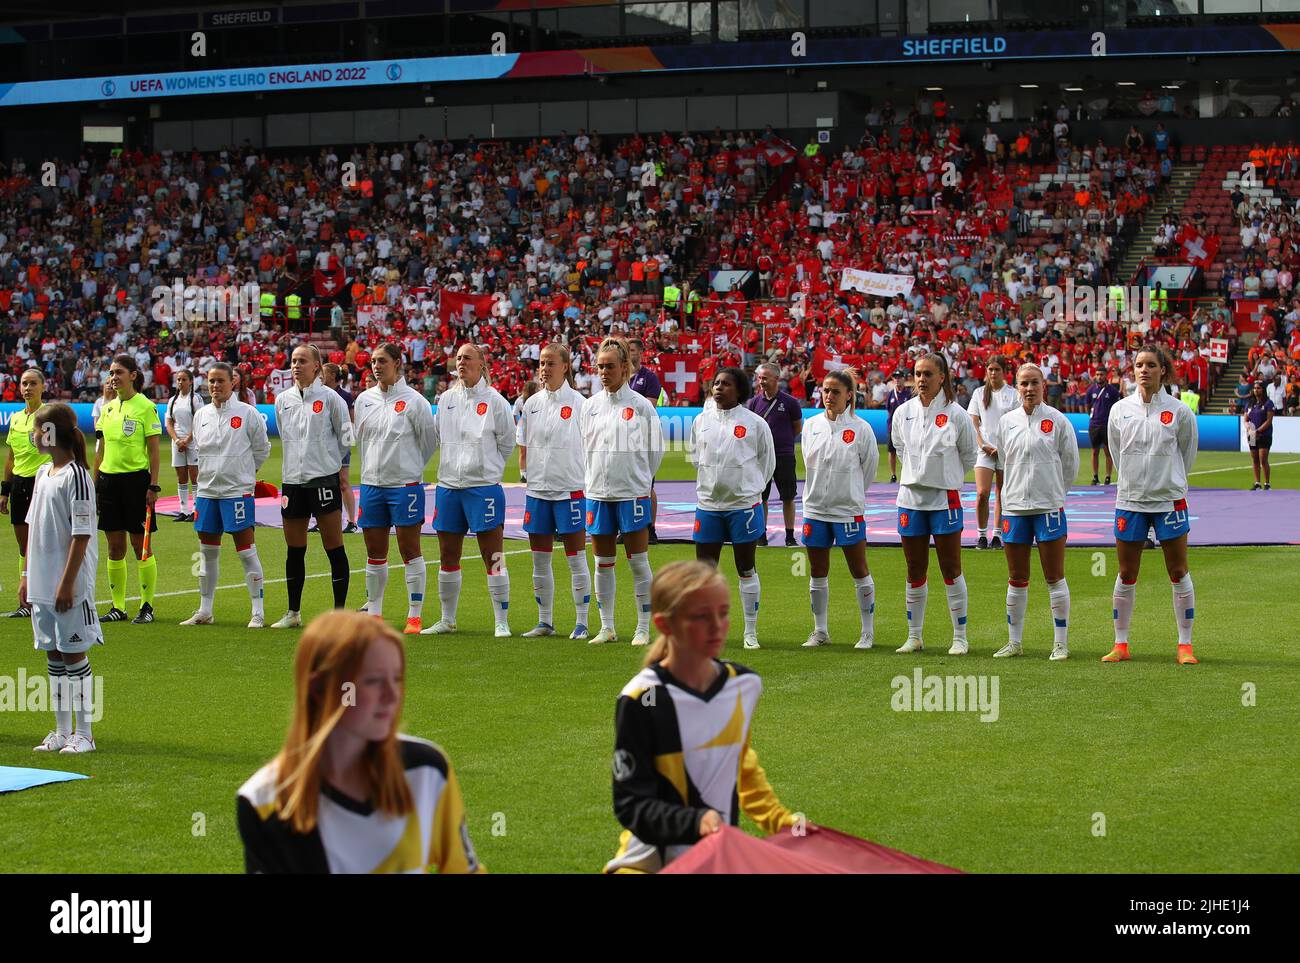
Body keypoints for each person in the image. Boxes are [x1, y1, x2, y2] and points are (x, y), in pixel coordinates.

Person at [236, 611, 483, 873]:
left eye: (397, 679)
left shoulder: (427, 770)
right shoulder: (265, 800)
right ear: (320, 689)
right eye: (372, 681)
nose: (392, 696)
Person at [604, 560, 800, 874]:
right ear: (664, 624)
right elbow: (631, 804)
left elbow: (740, 764)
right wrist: (695, 821)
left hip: (714, 862)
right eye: (701, 617)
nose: (717, 626)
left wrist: (782, 823)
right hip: (648, 865)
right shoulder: (642, 699)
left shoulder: (744, 685)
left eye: (723, 613)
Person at [1105, 344, 1200, 665]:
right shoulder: (1120, 410)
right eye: (1139, 365)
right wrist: (1135, 482)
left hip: (1169, 500)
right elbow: (1117, 454)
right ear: (1133, 371)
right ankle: (1121, 644)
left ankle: (1184, 645)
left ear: (1163, 370)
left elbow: (1187, 455)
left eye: (1150, 365)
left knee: (1178, 570)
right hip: (1130, 500)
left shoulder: (1180, 411)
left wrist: (1167, 481)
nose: (1143, 370)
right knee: (1126, 571)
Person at [21, 403, 101, 754]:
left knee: (74, 656)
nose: (33, 435)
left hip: (68, 585)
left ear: (51, 433)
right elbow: (33, 527)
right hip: (41, 584)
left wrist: (67, 582)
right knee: (53, 656)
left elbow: (81, 534)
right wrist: (26, 575)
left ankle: (84, 734)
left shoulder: (78, 476)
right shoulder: (42, 473)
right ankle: (61, 730)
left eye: (38, 429)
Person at [422, 343, 516, 637]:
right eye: (458, 358)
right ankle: (447, 619)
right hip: (449, 486)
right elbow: (438, 436)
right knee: (448, 555)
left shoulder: (496, 401)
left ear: (481, 363)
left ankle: (501, 620)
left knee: (494, 555)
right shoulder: (447, 399)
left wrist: (486, 469)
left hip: (483, 488)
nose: (461, 362)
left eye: (467, 358)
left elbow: (507, 443)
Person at [991, 364, 1079, 660]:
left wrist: (1054, 493)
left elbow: (1070, 465)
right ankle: (1015, 642)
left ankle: (1061, 642)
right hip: (1015, 507)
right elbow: (1003, 461)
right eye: (1023, 384)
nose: (1029, 389)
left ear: (1044, 385)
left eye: (1034, 383)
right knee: (1016, 577)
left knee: (1054, 576)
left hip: (1048, 507)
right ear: (1017, 387)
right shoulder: (1006, 422)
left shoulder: (1058, 421)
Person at [892, 352, 979, 655]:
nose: (921, 379)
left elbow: (969, 455)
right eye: (917, 373)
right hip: (910, 499)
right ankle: (914, 636)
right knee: (915, 568)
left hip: (944, 498)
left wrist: (946, 474)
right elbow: (901, 448)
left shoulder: (957, 414)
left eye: (928, 374)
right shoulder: (902, 412)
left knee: (951, 568)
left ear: (942, 377)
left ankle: (960, 637)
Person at [580, 337, 664, 646]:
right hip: (599, 495)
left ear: (624, 367)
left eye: (610, 366)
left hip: (632, 494)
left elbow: (656, 451)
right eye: (600, 366)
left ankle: (643, 627)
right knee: (602, 562)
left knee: (638, 561)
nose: (604, 372)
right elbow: (582, 448)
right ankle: (607, 627)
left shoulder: (641, 406)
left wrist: (640, 481)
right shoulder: (588, 407)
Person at [354, 343, 439, 634]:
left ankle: (414, 615)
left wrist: (409, 468)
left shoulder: (416, 402)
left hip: (404, 486)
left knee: (409, 550)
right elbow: (360, 440)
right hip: (371, 485)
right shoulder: (364, 399)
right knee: (374, 552)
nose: (377, 366)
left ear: (398, 363)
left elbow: (428, 444)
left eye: (383, 361)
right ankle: (375, 614)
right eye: (374, 361)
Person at [180, 363, 272, 628]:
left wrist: (244, 474)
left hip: (236, 492)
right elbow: (199, 449)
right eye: (211, 381)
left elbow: (261, 449)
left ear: (233, 383)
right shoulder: (202, 415)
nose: (215, 386)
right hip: (207, 492)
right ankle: (205, 609)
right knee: (205, 553)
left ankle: (258, 611)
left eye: (220, 381)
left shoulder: (248, 413)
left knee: (246, 552)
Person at [690, 368, 774, 650]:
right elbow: (695, 458)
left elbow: (767, 463)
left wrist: (748, 489)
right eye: (716, 383)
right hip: (709, 505)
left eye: (726, 384)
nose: (718, 388)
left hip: (743, 506)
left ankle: (750, 631)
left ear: (739, 390)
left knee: (745, 567)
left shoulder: (755, 423)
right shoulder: (701, 421)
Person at [273, 344, 355, 629]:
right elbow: (285, 435)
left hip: (322, 480)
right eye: (293, 361)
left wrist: (326, 462)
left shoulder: (332, 399)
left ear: (317, 367)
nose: (296, 366)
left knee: (334, 548)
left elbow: (346, 438)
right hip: (292, 482)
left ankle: (340, 614)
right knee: (294, 550)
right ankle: (293, 613)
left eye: (302, 361)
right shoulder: (282, 400)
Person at [799, 368, 880, 650]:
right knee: (817, 571)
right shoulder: (811, 425)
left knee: (859, 569)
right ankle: (820, 630)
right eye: (825, 390)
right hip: (815, 509)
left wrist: (850, 492)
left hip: (847, 510)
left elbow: (868, 470)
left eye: (835, 391)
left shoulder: (861, 429)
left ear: (849, 395)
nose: (829, 396)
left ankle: (867, 632)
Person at [516, 343, 592, 640]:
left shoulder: (580, 404)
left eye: (550, 363)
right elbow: (523, 443)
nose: (544, 368)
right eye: (541, 363)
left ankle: (582, 622)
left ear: (565, 367)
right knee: (540, 560)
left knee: (576, 558)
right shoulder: (531, 404)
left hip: (570, 490)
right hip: (537, 491)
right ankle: (545, 621)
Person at [94, 354, 162, 625]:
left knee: (140, 545)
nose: (114, 377)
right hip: (108, 482)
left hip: (136, 482)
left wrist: (153, 484)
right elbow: (101, 449)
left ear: (133, 375)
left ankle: (147, 606)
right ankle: (118, 607)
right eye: (111, 372)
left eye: (119, 372)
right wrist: (95, 480)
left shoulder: (145, 406)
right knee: (114, 547)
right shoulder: (107, 408)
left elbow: (154, 451)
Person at [1, 368, 50, 618]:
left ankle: (45, 596)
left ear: (43, 387)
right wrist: (5, 491)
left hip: (43, 486)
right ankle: (26, 602)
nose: (27, 388)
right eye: (24, 384)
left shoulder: (49, 416)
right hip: (20, 485)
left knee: (44, 544)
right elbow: (11, 458)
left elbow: (60, 454)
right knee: (24, 545)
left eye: (32, 383)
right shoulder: (18, 419)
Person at [747, 362, 803, 547]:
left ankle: (790, 535)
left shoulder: (790, 402)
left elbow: (797, 427)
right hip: (761, 458)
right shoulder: (754, 402)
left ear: (776, 379)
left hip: (784, 455)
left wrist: (782, 442)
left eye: (765, 378)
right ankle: (761, 535)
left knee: (788, 497)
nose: (761, 381)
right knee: (760, 497)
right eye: (759, 378)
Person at [968, 356, 1017, 549]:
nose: (993, 373)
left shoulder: (1013, 394)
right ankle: (981, 535)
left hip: (1006, 449)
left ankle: (997, 535)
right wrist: (982, 444)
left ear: (1004, 371)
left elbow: (1017, 422)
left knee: (1002, 493)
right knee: (982, 493)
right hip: (984, 450)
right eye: (990, 369)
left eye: (997, 369)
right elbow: (973, 422)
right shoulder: (979, 393)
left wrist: (1003, 446)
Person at [626, 338, 663, 544]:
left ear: (640, 353)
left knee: (647, 484)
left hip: (643, 438)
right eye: (627, 350)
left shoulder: (649, 377)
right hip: (623, 438)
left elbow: (650, 407)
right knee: (626, 483)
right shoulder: (621, 377)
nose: (629, 353)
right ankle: (628, 527)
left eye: (632, 350)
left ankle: (651, 528)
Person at [322, 363, 360, 534]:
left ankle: (352, 521)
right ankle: (322, 518)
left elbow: (351, 422)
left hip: (339, 444)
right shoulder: (319, 394)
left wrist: (346, 445)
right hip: (323, 445)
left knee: (343, 482)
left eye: (323, 372)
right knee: (323, 483)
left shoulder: (344, 396)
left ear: (331, 374)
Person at [165, 369, 202, 522]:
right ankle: (183, 510)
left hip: (192, 441)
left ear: (191, 381)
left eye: (183, 379)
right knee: (181, 477)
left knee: (194, 475)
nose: (180, 382)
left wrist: (187, 439)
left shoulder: (195, 399)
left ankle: (196, 510)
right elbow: (169, 422)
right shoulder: (173, 400)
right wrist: (177, 440)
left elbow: (199, 420)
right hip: (178, 441)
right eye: (178, 379)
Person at [1084, 371, 1121, 485]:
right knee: (1095, 451)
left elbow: (1117, 406)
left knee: (1107, 452)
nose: (1099, 377)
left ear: (1106, 376)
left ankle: (1108, 477)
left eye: (1102, 374)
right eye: (1098, 374)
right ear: (1095, 376)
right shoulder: (1091, 390)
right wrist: (1092, 416)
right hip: (1094, 424)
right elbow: (1087, 405)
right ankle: (1095, 476)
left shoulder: (1112, 391)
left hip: (1106, 424)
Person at [1244, 380, 1275, 491]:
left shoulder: (1268, 403)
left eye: (1259, 388)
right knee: (1255, 459)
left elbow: (1269, 420)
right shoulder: (1250, 404)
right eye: (1255, 388)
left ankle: (1267, 483)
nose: (1256, 390)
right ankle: (1257, 482)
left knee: (1263, 459)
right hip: (1252, 434)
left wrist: (1258, 431)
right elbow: (1246, 419)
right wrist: (1249, 428)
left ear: (1263, 390)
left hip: (1264, 434)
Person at [884, 369, 912, 483]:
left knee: (908, 450)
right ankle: (893, 474)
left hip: (906, 426)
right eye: (895, 377)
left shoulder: (908, 393)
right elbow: (888, 409)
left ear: (903, 379)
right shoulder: (891, 393)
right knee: (892, 450)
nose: (897, 379)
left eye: (899, 377)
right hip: (893, 426)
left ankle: (907, 472)